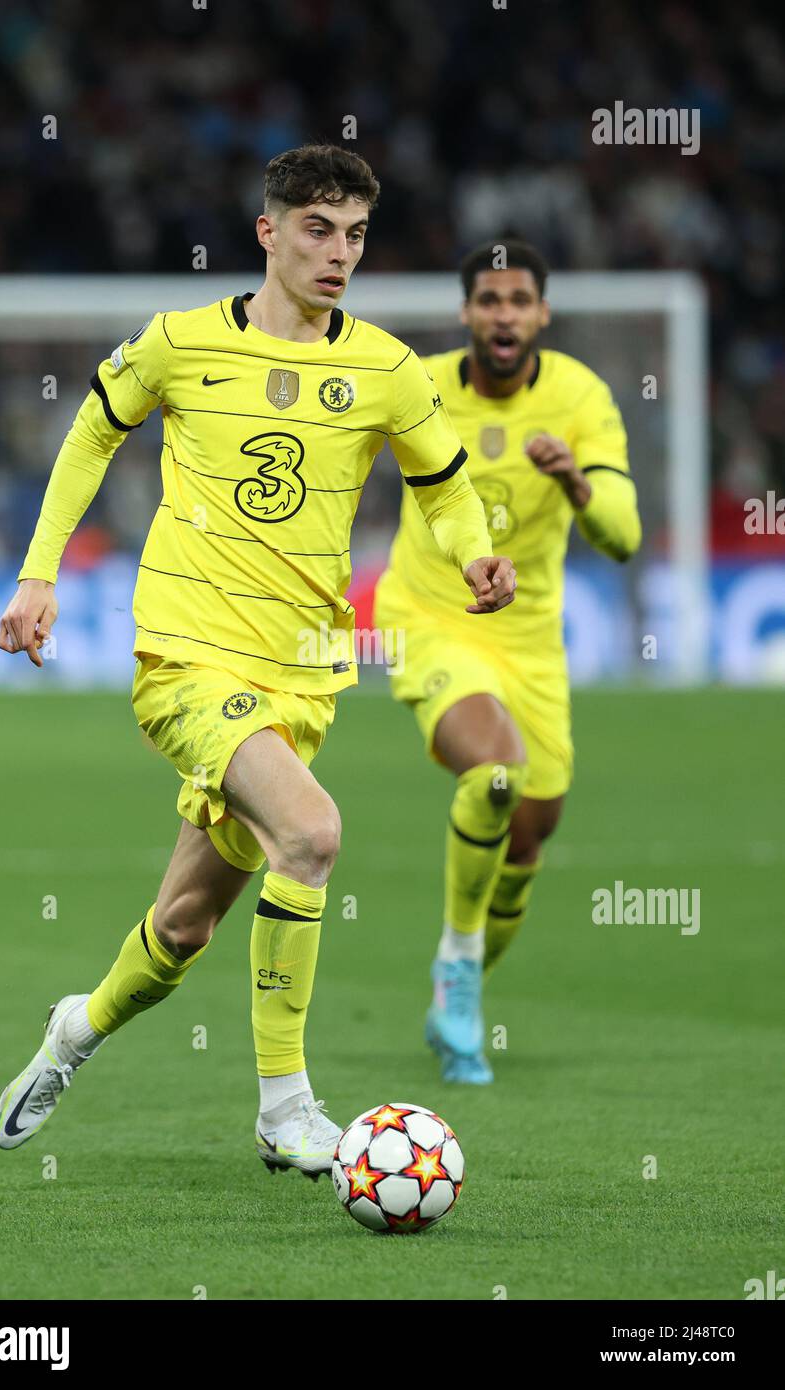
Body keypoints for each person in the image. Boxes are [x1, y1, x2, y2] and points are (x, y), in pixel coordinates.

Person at [0, 146, 516, 1175]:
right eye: (318, 229)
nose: (339, 253)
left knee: (181, 929)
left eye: (356, 233)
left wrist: (478, 550)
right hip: (186, 656)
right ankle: (287, 1108)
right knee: (312, 832)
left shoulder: (386, 370)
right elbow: (93, 434)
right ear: (268, 232)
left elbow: (444, 484)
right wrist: (38, 571)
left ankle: (75, 1031)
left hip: (305, 673)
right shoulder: (180, 344)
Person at [374, 237, 641, 1083]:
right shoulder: (416, 385)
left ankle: (459, 983)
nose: (502, 314)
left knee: (528, 838)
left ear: (541, 313)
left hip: (530, 642)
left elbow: (625, 537)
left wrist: (576, 484)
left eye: (517, 300)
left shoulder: (577, 396)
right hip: (429, 617)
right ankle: (457, 966)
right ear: (464, 313)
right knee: (495, 772)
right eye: (487, 299)